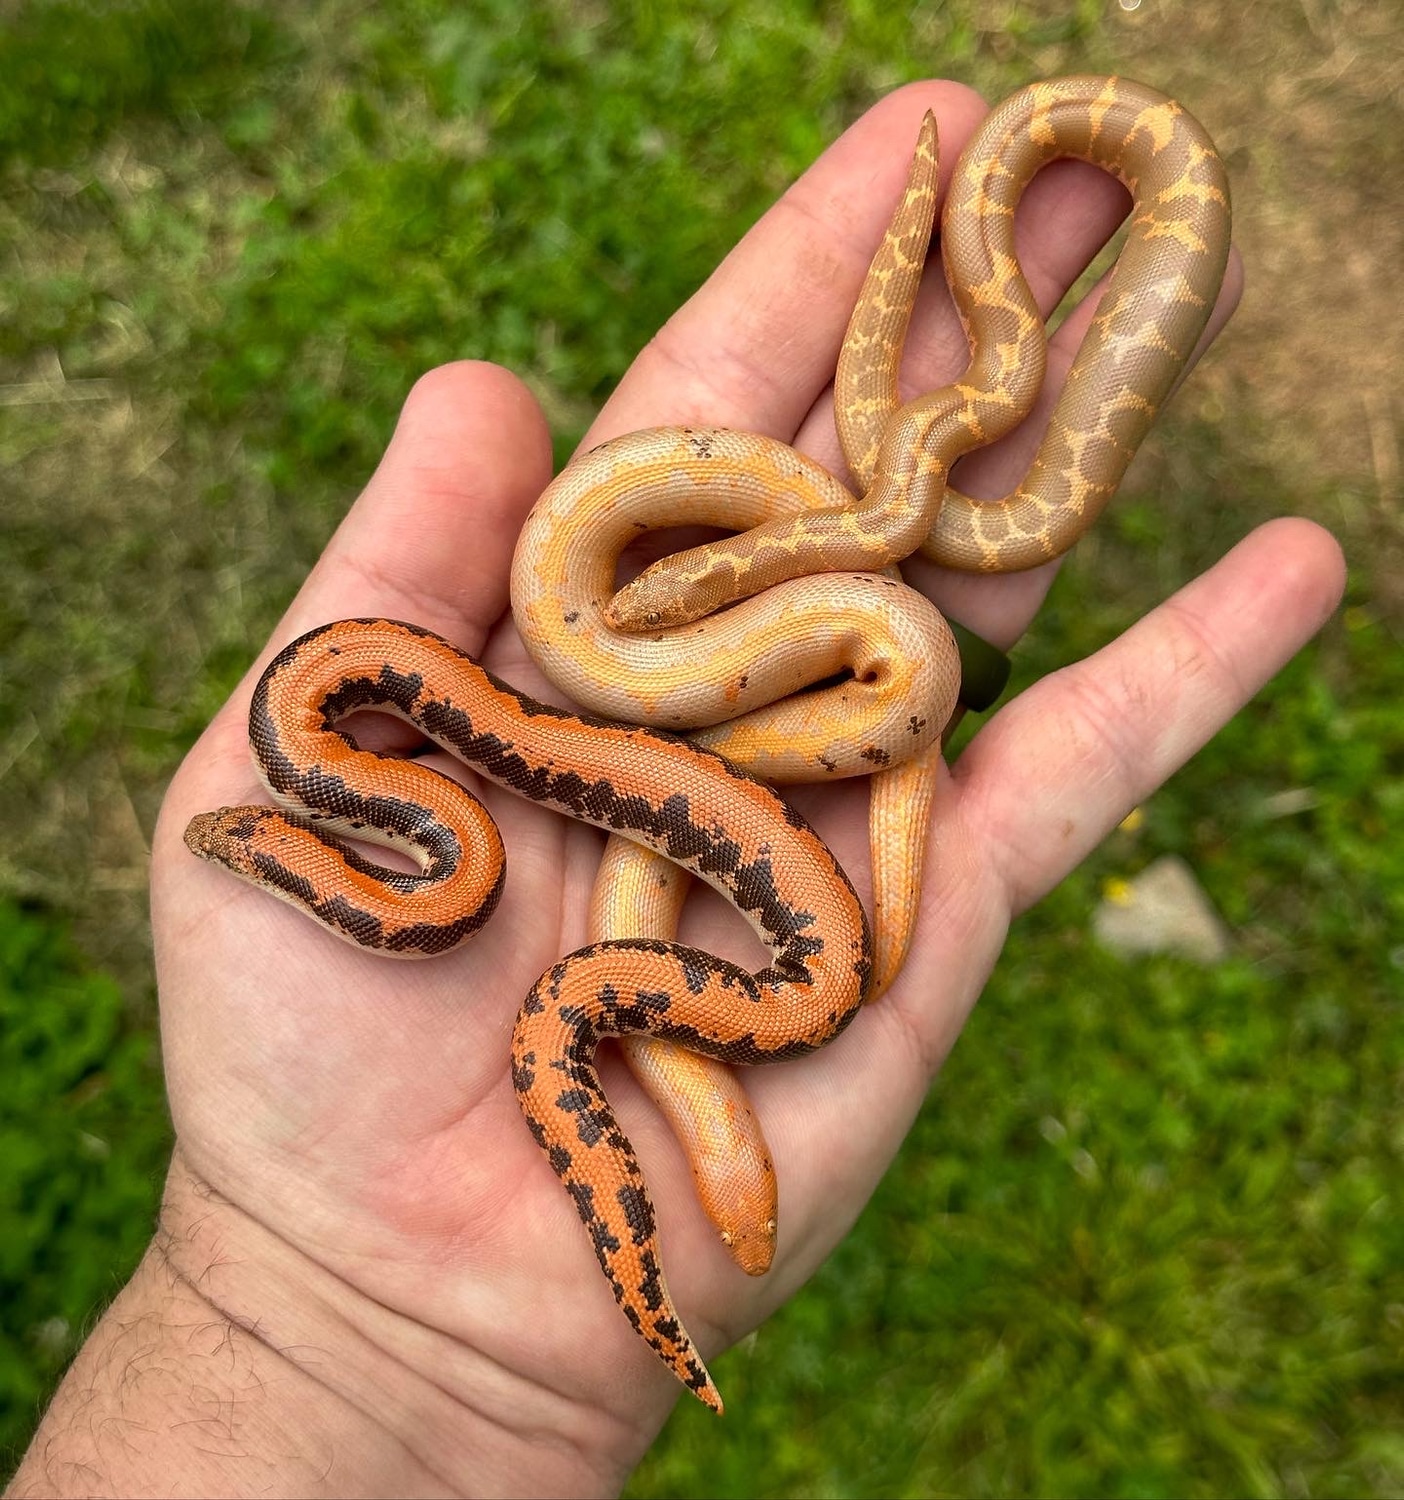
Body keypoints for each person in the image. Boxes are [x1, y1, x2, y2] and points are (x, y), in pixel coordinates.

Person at [8, 80, 1342, 1498]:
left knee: (739, 822)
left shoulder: (452, 813)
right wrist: (338, 1318)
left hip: (677, 808)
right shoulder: (494, 863)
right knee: (765, 912)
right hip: (726, 872)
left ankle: (869, 624)